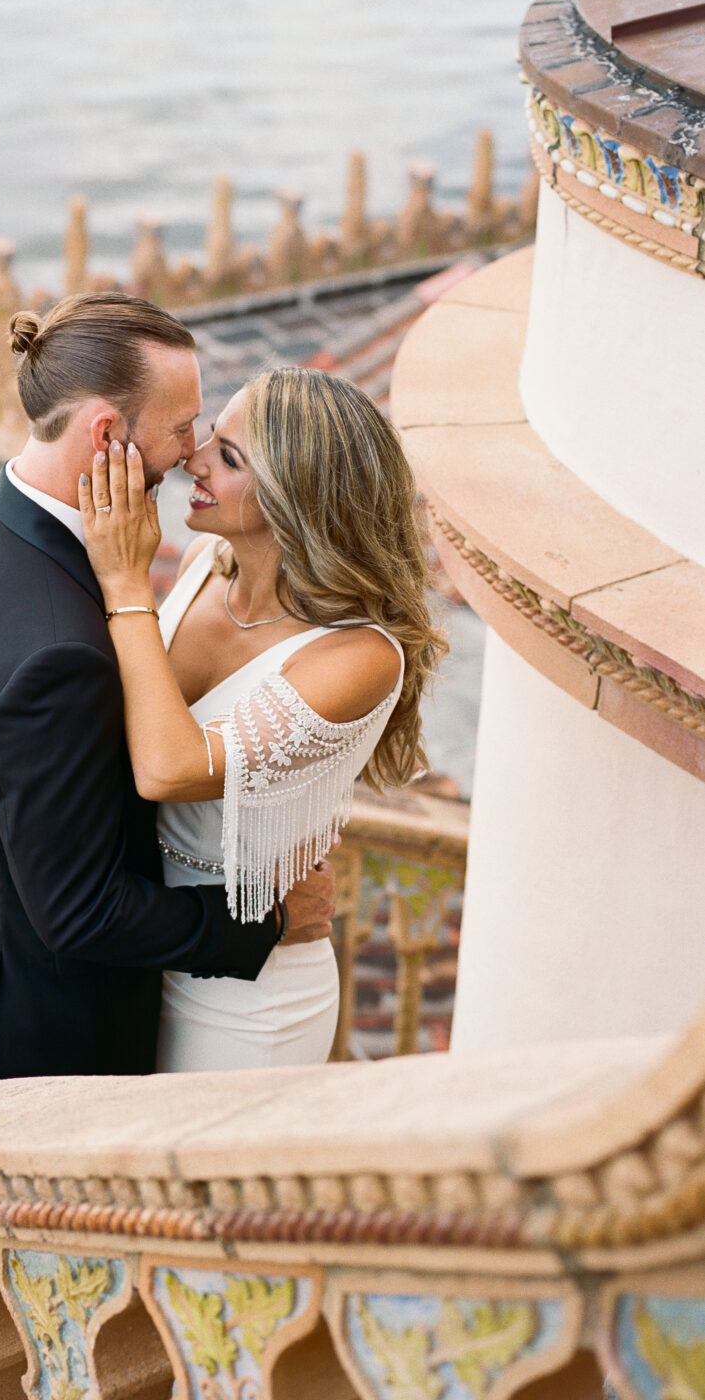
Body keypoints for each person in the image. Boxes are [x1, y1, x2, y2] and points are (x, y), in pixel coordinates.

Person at [0, 294, 337, 1082]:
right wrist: (262, 922)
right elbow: (80, 911)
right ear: (106, 433)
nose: (192, 451)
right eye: (180, 428)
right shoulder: (56, 656)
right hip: (47, 1036)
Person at [79, 366, 447, 1070]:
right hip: (143, 935)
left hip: (247, 995)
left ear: (296, 495)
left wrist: (123, 580)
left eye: (227, 456)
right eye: (208, 439)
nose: (193, 460)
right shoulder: (201, 562)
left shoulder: (358, 655)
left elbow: (167, 768)